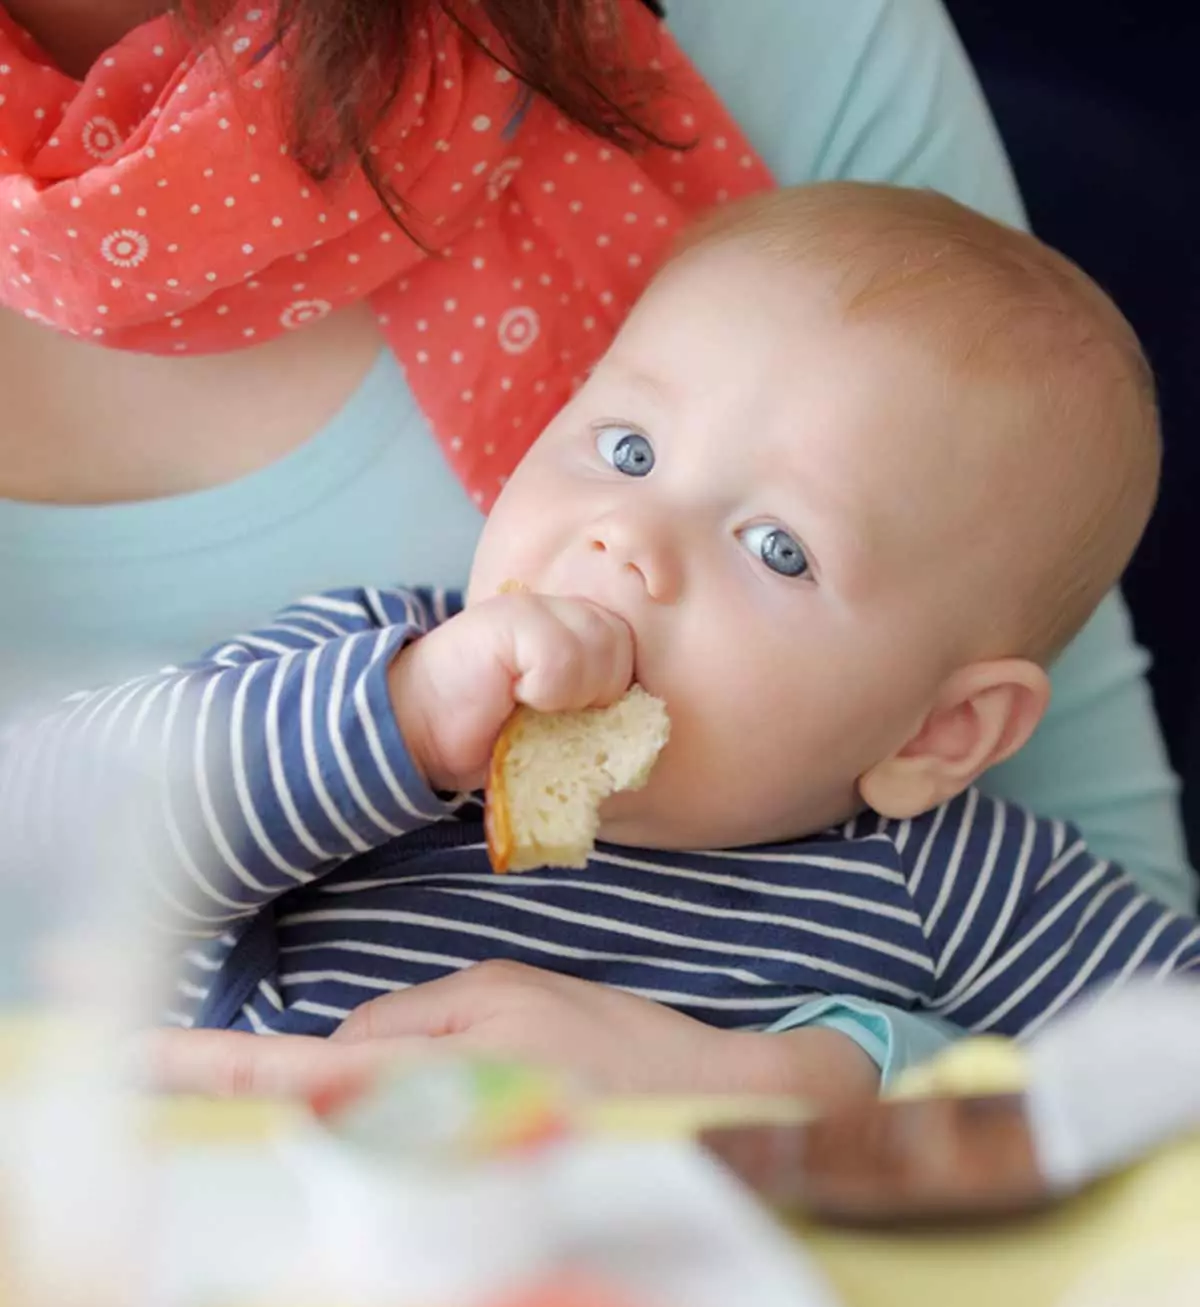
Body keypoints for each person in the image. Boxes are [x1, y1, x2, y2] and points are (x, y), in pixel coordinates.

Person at [0, 0, 1190, 1093]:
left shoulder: (943, 879)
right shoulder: (372, 670)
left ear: (940, 734)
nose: (631, 541)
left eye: (779, 549)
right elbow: (51, 833)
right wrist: (401, 721)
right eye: (625, 452)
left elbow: (1164, 1066)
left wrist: (821, 1081)